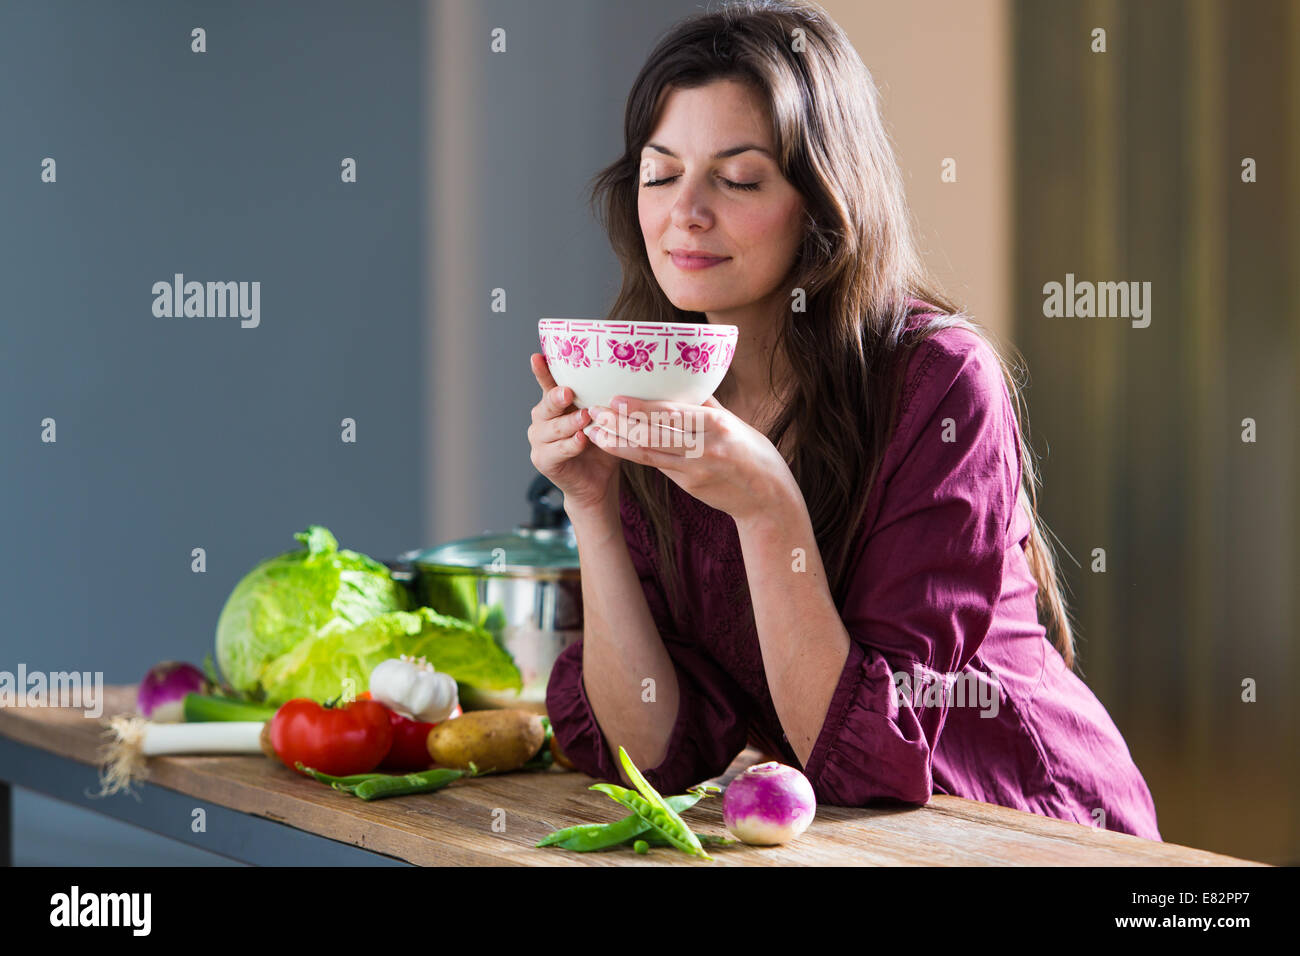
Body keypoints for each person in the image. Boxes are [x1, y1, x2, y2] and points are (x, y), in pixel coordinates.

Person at [526, 0, 1160, 839]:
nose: (686, 212)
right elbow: (649, 749)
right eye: (660, 172)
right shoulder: (656, 383)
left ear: (824, 197)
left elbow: (864, 757)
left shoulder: (939, 383)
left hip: (1020, 826)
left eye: (740, 177)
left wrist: (765, 504)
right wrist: (592, 505)